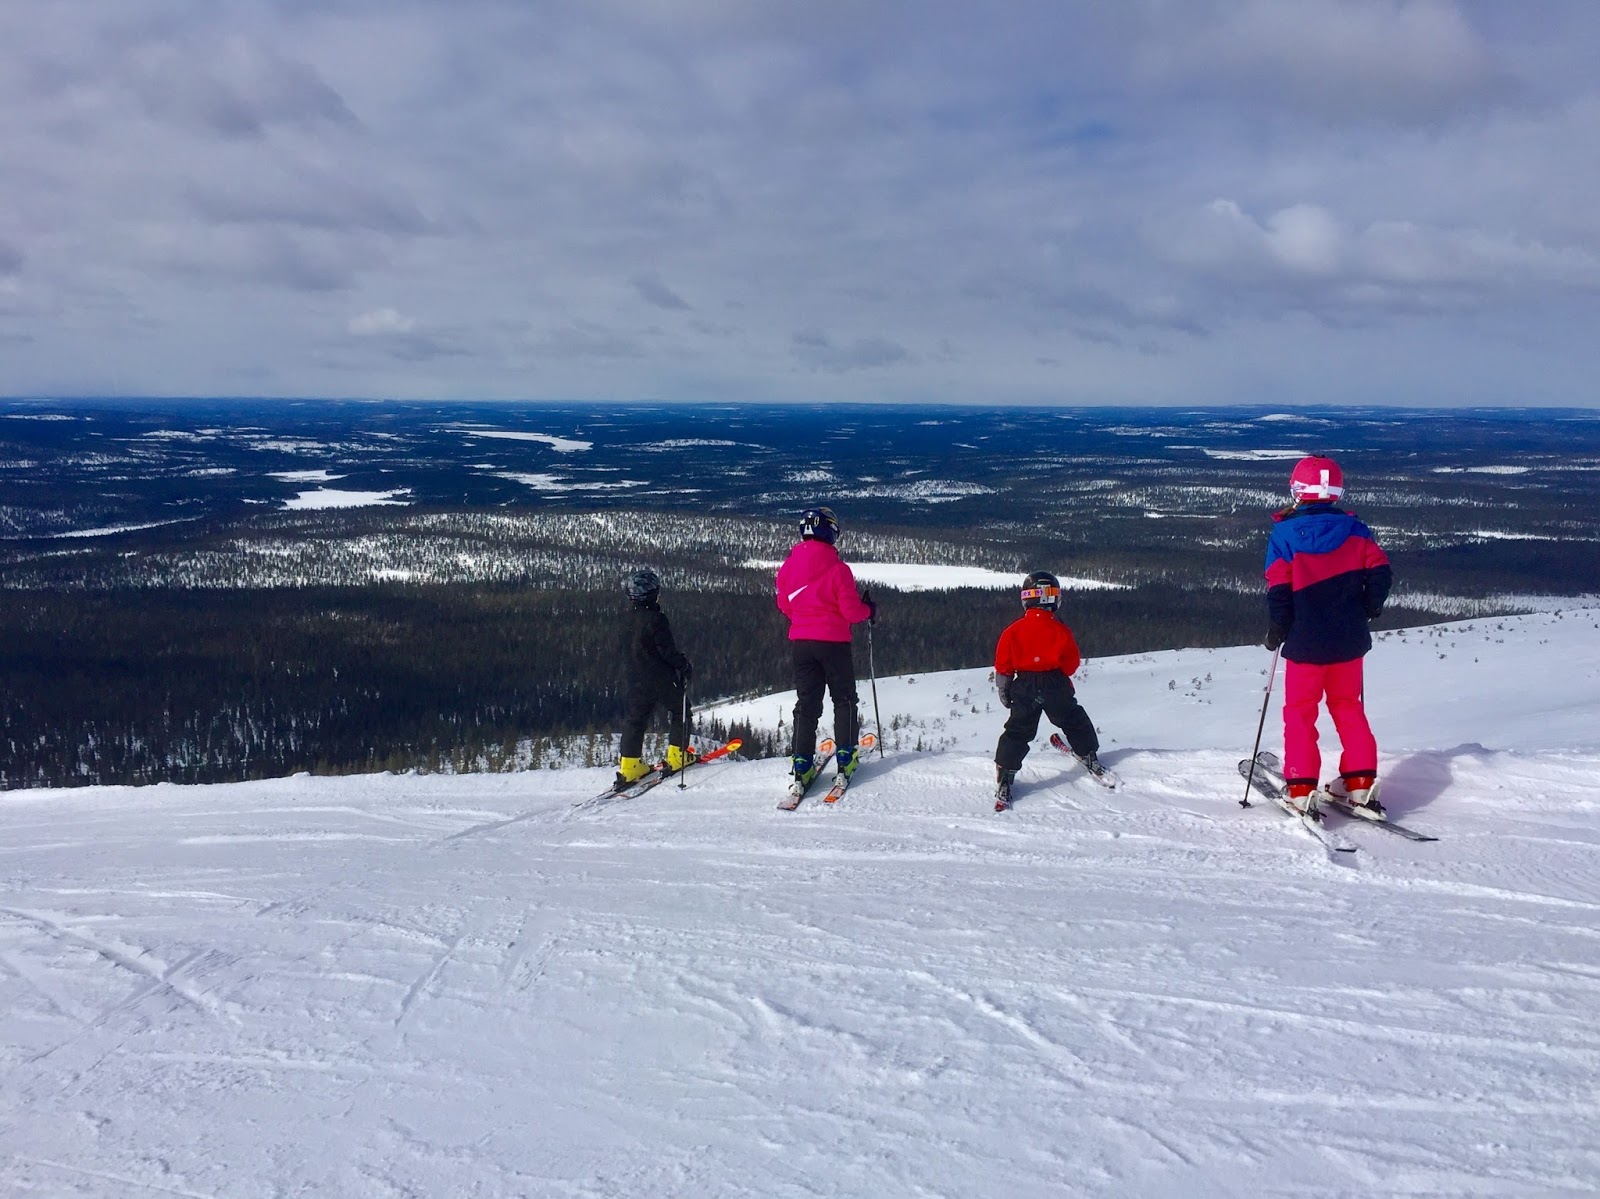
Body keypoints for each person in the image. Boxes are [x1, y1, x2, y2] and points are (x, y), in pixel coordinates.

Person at [1264, 454, 1393, 810]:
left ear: (1297, 489)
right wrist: (1368, 607)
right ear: (1336, 490)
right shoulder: (1356, 530)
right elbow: (1381, 572)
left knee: (1300, 712)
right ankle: (1361, 781)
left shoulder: (1284, 534)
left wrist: (1278, 629)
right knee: (1348, 707)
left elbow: (1278, 588)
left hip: (1306, 642)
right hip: (1349, 640)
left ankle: (1301, 787)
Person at [775, 506, 876, 791]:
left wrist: (805, 619)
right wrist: (869, 610)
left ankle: (801, 763)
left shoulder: (788, 567)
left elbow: (784, 604)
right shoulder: (838, 569)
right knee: (844, 699)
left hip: (801, 644)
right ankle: (846, 756)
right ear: (830, 532)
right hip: (834, 644)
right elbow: (851, 611)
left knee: (806, 704)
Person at [992, 570, 1104, 806]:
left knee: (1018, 729)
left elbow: (1003, 665)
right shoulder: (1060, 630)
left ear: (1027, 598)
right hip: (1054, 684)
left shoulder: (1012, 631)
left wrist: (1005, 689)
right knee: (1073, 719)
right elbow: (1071, 663)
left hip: (1023, 686)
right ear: (1053, 599)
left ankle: (1005, 771)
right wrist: (1058, 678)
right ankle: (1088, 753)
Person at [616, 568, 694, 789]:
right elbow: (666, 651)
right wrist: (684, 665)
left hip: (634, 677)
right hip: (659, 677)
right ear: (653, 594)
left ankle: (630, 767)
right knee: (680, 710)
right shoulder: (657, 619)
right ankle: (677, 756)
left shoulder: (626, 619)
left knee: (636, 719)